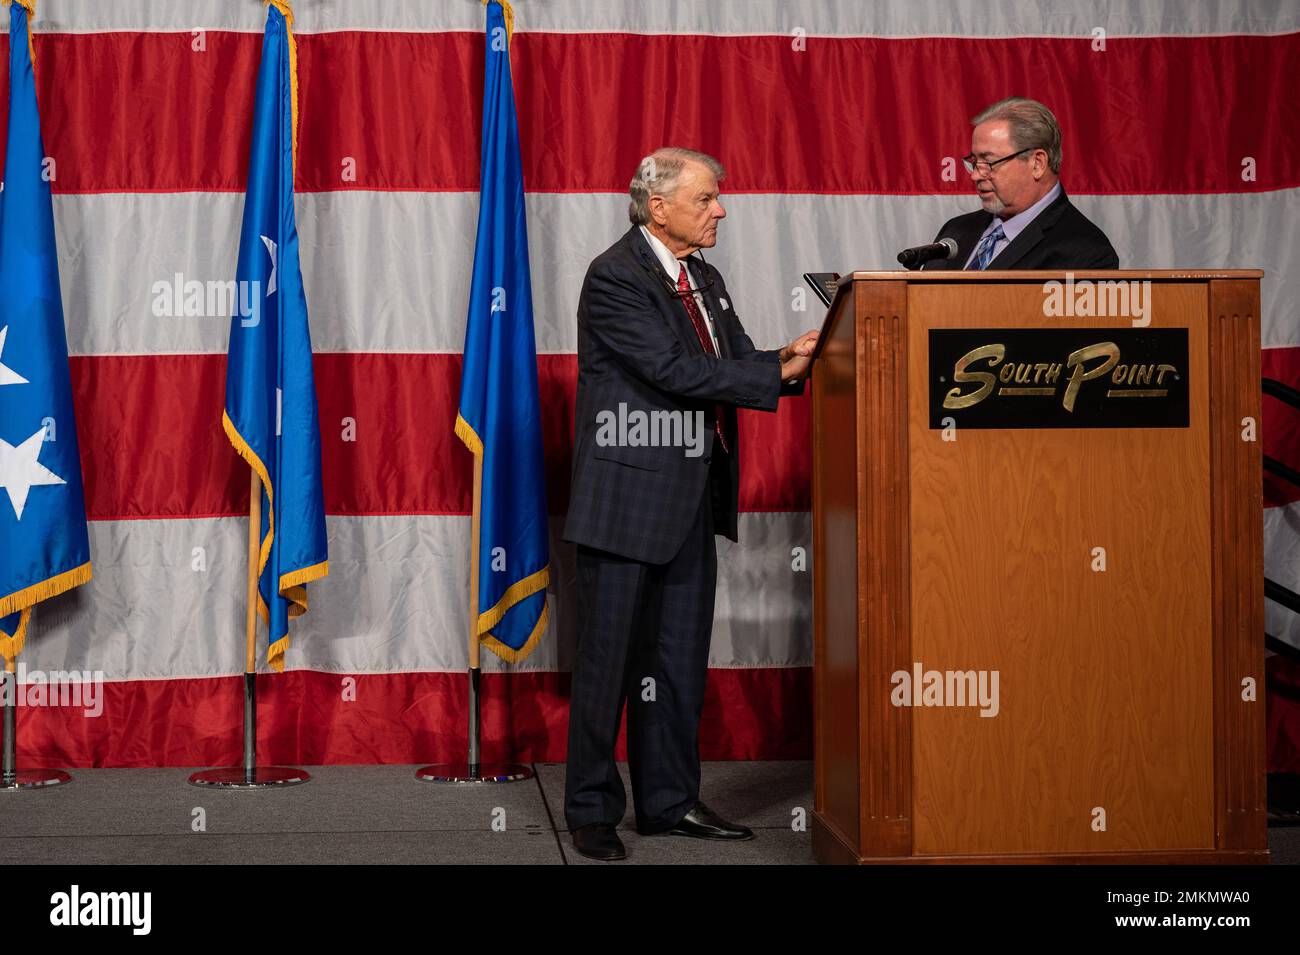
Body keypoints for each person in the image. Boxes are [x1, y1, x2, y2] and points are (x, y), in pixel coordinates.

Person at [561, 147, 818, 861]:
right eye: (706, 198)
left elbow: (734, 360)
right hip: (625, 502)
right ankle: (590, 809)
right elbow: (676, 371)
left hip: (689, 502)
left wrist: (795, 358)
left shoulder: (704, 276)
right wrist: (770, 370)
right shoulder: (615, 275)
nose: (720, 209)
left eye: (717, 198)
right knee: (608, 664)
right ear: (658, 205)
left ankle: (669, 802)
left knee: (676, 664)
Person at [924, 97, 1119, 270]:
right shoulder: (956, 230)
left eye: (989, 162)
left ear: (1037, 163)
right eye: (975, 162)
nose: (975, 175)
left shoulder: (1088, 254)